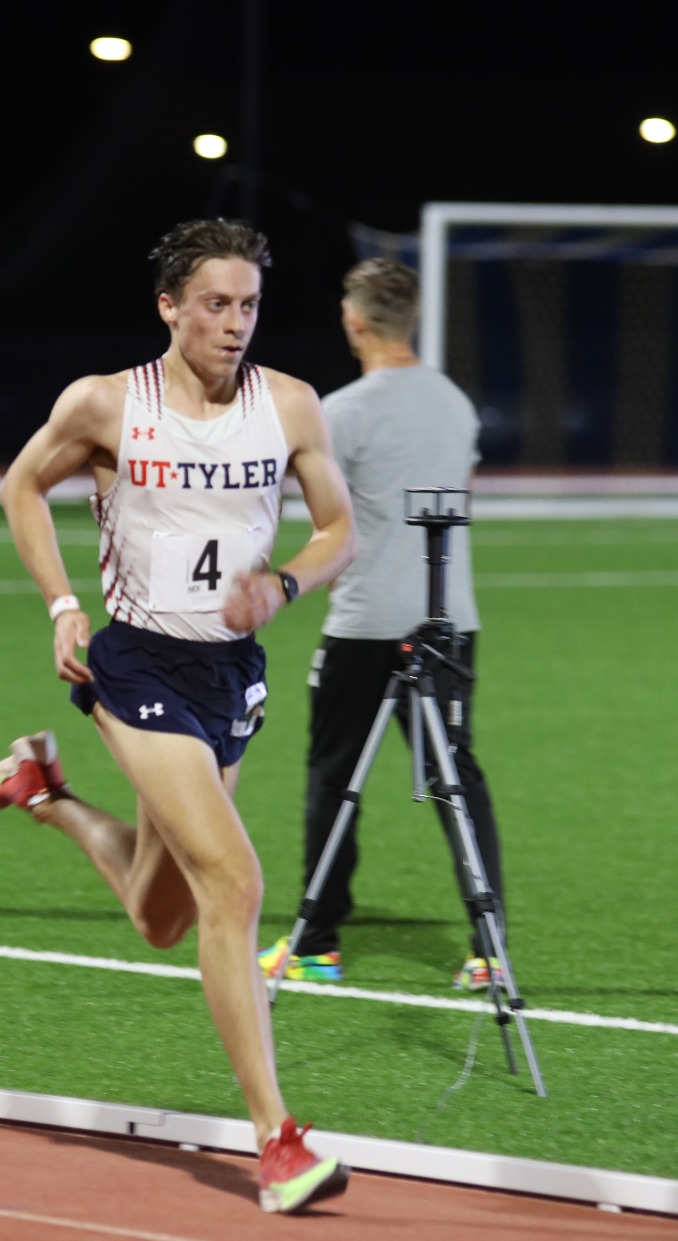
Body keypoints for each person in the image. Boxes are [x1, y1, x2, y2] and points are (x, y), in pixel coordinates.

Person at [0, 219, 357, 1215]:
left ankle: (47, 793)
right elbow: (21, 484)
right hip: (136, 660)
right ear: (168, 306)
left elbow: (338, 529)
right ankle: (276, 1142)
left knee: (161, 916)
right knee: (233, 882)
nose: (234, 325)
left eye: (248, 306)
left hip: (228, 674)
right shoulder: (106, 403)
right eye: (214, 305)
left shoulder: (289, 404)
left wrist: (282, 584)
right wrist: (62, 603)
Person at [257, 258, 506, 990]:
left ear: (354, 320)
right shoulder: (456, 404)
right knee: (457, 774)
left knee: (334, 774)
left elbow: (311, 514)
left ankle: (316, 943)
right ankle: (490, 950)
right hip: (450, 619)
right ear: (412, 319)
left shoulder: (345, 410)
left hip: (367, 624)